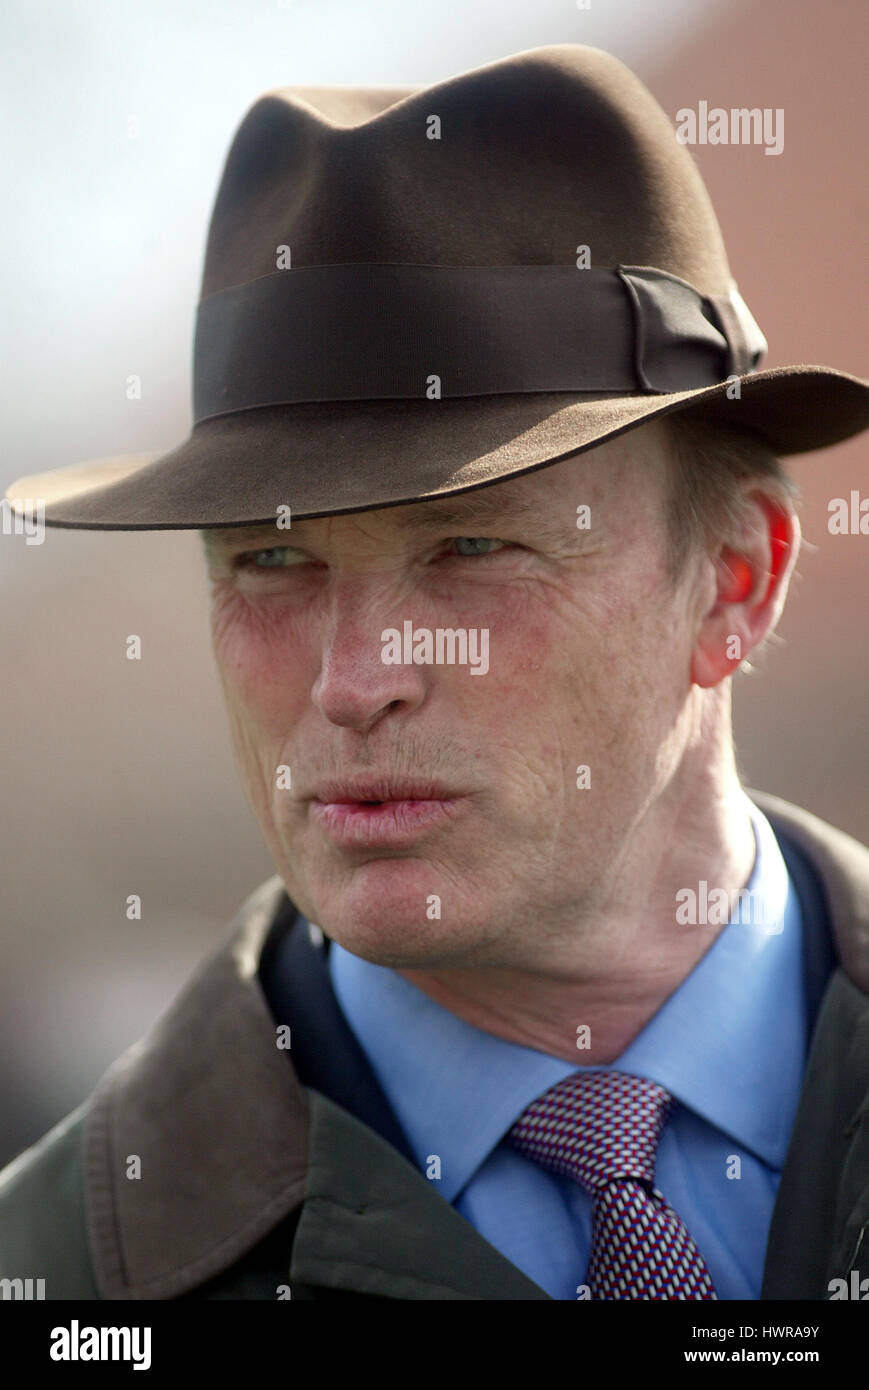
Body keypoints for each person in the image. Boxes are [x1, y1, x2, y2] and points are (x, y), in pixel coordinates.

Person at [1, 42, 868, 1303]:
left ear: (732, 579)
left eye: (470, 546)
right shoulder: (68, 1282)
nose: (355, 683)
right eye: (271, 562)